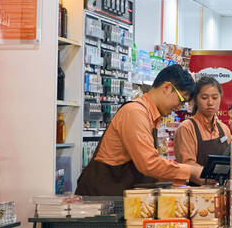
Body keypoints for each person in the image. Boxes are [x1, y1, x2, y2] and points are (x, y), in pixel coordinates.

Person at [76, 65, 200, 195]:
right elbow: (149, 164)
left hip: (116, 198)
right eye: (181, 100)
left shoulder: (151, 116)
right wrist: (191, 171)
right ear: (167, 88)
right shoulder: (135, 113)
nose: (179, 107)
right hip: (99, 202)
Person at [176, 76, 232, 183]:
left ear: (220, 98)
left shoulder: (224, 129)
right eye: (204, 98)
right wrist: (213, 178)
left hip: (220, 190)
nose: (210, 102)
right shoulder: (186, 128)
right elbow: (187, 165)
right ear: (195, 100)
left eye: (215, 98)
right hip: (197, 193)